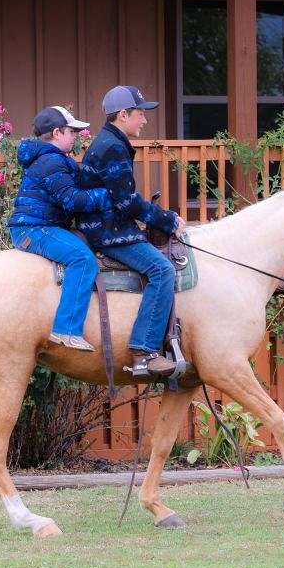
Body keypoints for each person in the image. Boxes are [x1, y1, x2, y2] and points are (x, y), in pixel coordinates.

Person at [78, 85, 186, 378]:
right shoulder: (112, 147)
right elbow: (126, 203)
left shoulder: (110, 142)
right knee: (162, 270)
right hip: (108, 231)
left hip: (108, 224)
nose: (145, 120)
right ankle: (145, 351)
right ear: (123, 114)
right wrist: (167, 220)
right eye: (140, 113)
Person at [8, 106, 112, 351]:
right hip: (33, 230)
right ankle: (66, 329)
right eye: (72, 132)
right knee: (83, 260)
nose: (75, 137)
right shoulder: (51, 161)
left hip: (41, 226)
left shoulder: (53, 159)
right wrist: (109, 196)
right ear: (57, 133)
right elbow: (72, 200)